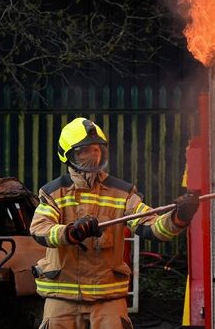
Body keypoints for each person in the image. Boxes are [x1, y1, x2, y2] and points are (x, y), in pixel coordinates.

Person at [30, 117, 200, 328]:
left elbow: (153, 228)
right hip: (61, 297)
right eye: (84, 151)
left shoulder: (123, 193)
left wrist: (179, 217)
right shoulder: (53, 193)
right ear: (67, 155)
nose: (93, 155)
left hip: (108, 299)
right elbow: (40, 229)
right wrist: (71, 232)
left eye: (96, 149)